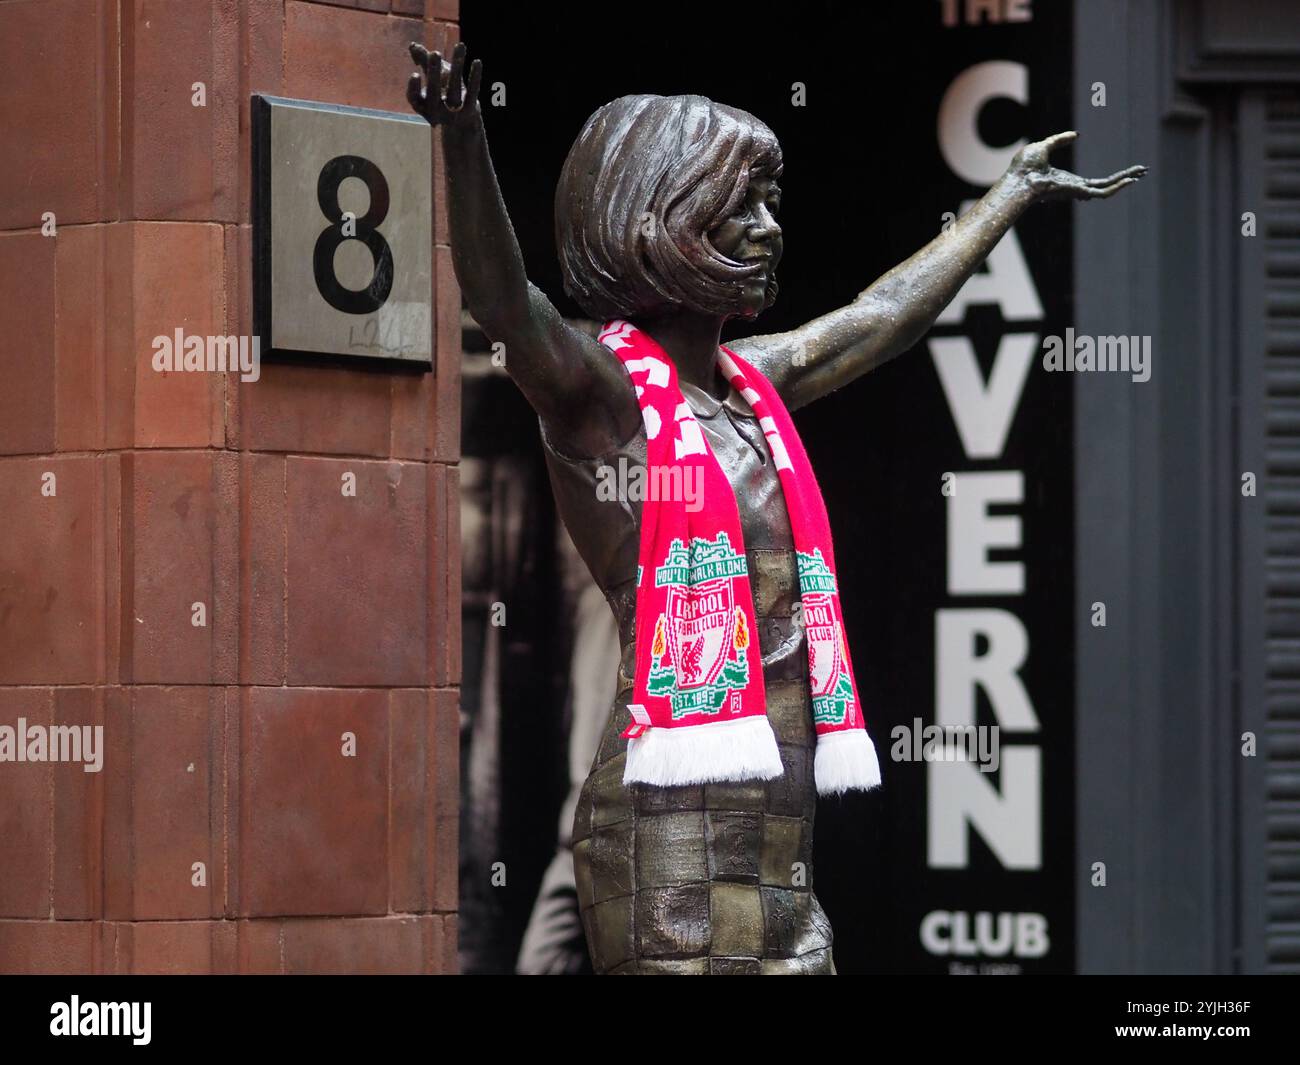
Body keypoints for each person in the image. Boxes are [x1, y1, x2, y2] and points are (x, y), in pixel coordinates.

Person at [407, 41, 1142, 975]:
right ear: (658, 220)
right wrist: (464, 138)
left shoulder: (752, 390)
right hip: (668, 831)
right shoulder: (604, 399)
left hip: (778, 823)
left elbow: (880, 318)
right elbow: (506, 306)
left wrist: (1007, 197)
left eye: (768, 206)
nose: (767, 230)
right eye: (737, 208)